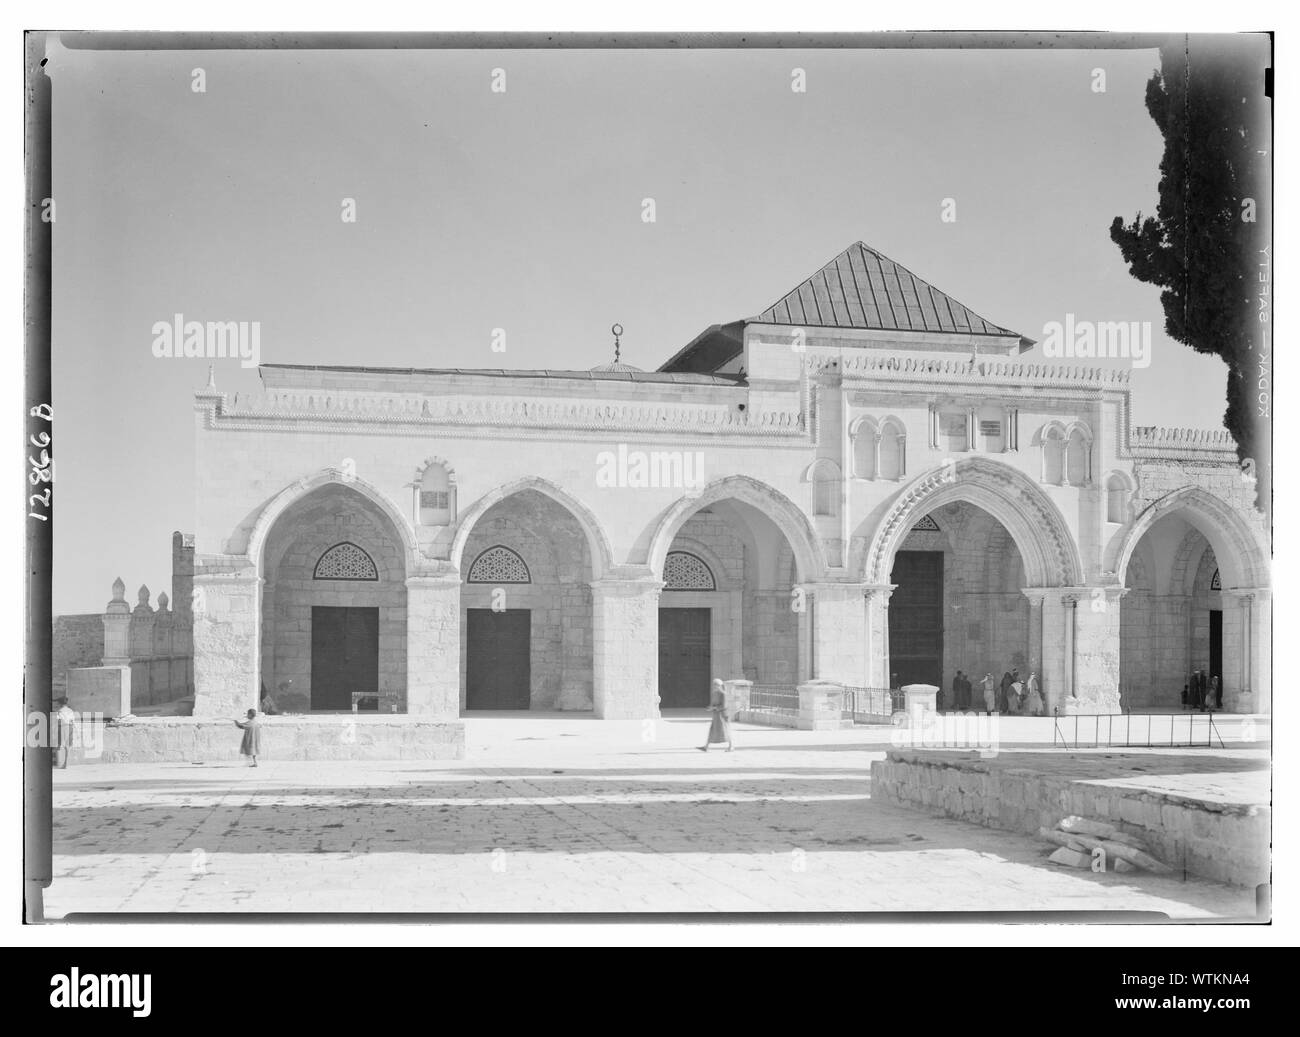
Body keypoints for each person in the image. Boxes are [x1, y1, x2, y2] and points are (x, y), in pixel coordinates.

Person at [698, 679, 732, 752]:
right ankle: (706, 747)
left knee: (725, 731)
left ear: (720, 685)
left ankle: (731, 746)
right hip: (716, 715)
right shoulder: (714, 693)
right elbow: (713, 704)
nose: (715, 686)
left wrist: (714, 708)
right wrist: (710, 708)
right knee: (712, 729)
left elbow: (724, 706)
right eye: (714, 684)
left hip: (722, 715)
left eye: (717, 685)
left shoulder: (723, 694)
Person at [53, 697, 77, 769]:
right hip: (70, 727)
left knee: (59, 745)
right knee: (67, 746)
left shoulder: (60, 711)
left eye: (58, 703)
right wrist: (76, 730)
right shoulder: (70, 710)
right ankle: (65, 764)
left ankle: (60, 763)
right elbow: (73, 721)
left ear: (60, 703)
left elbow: (58, 720)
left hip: (62, 727)